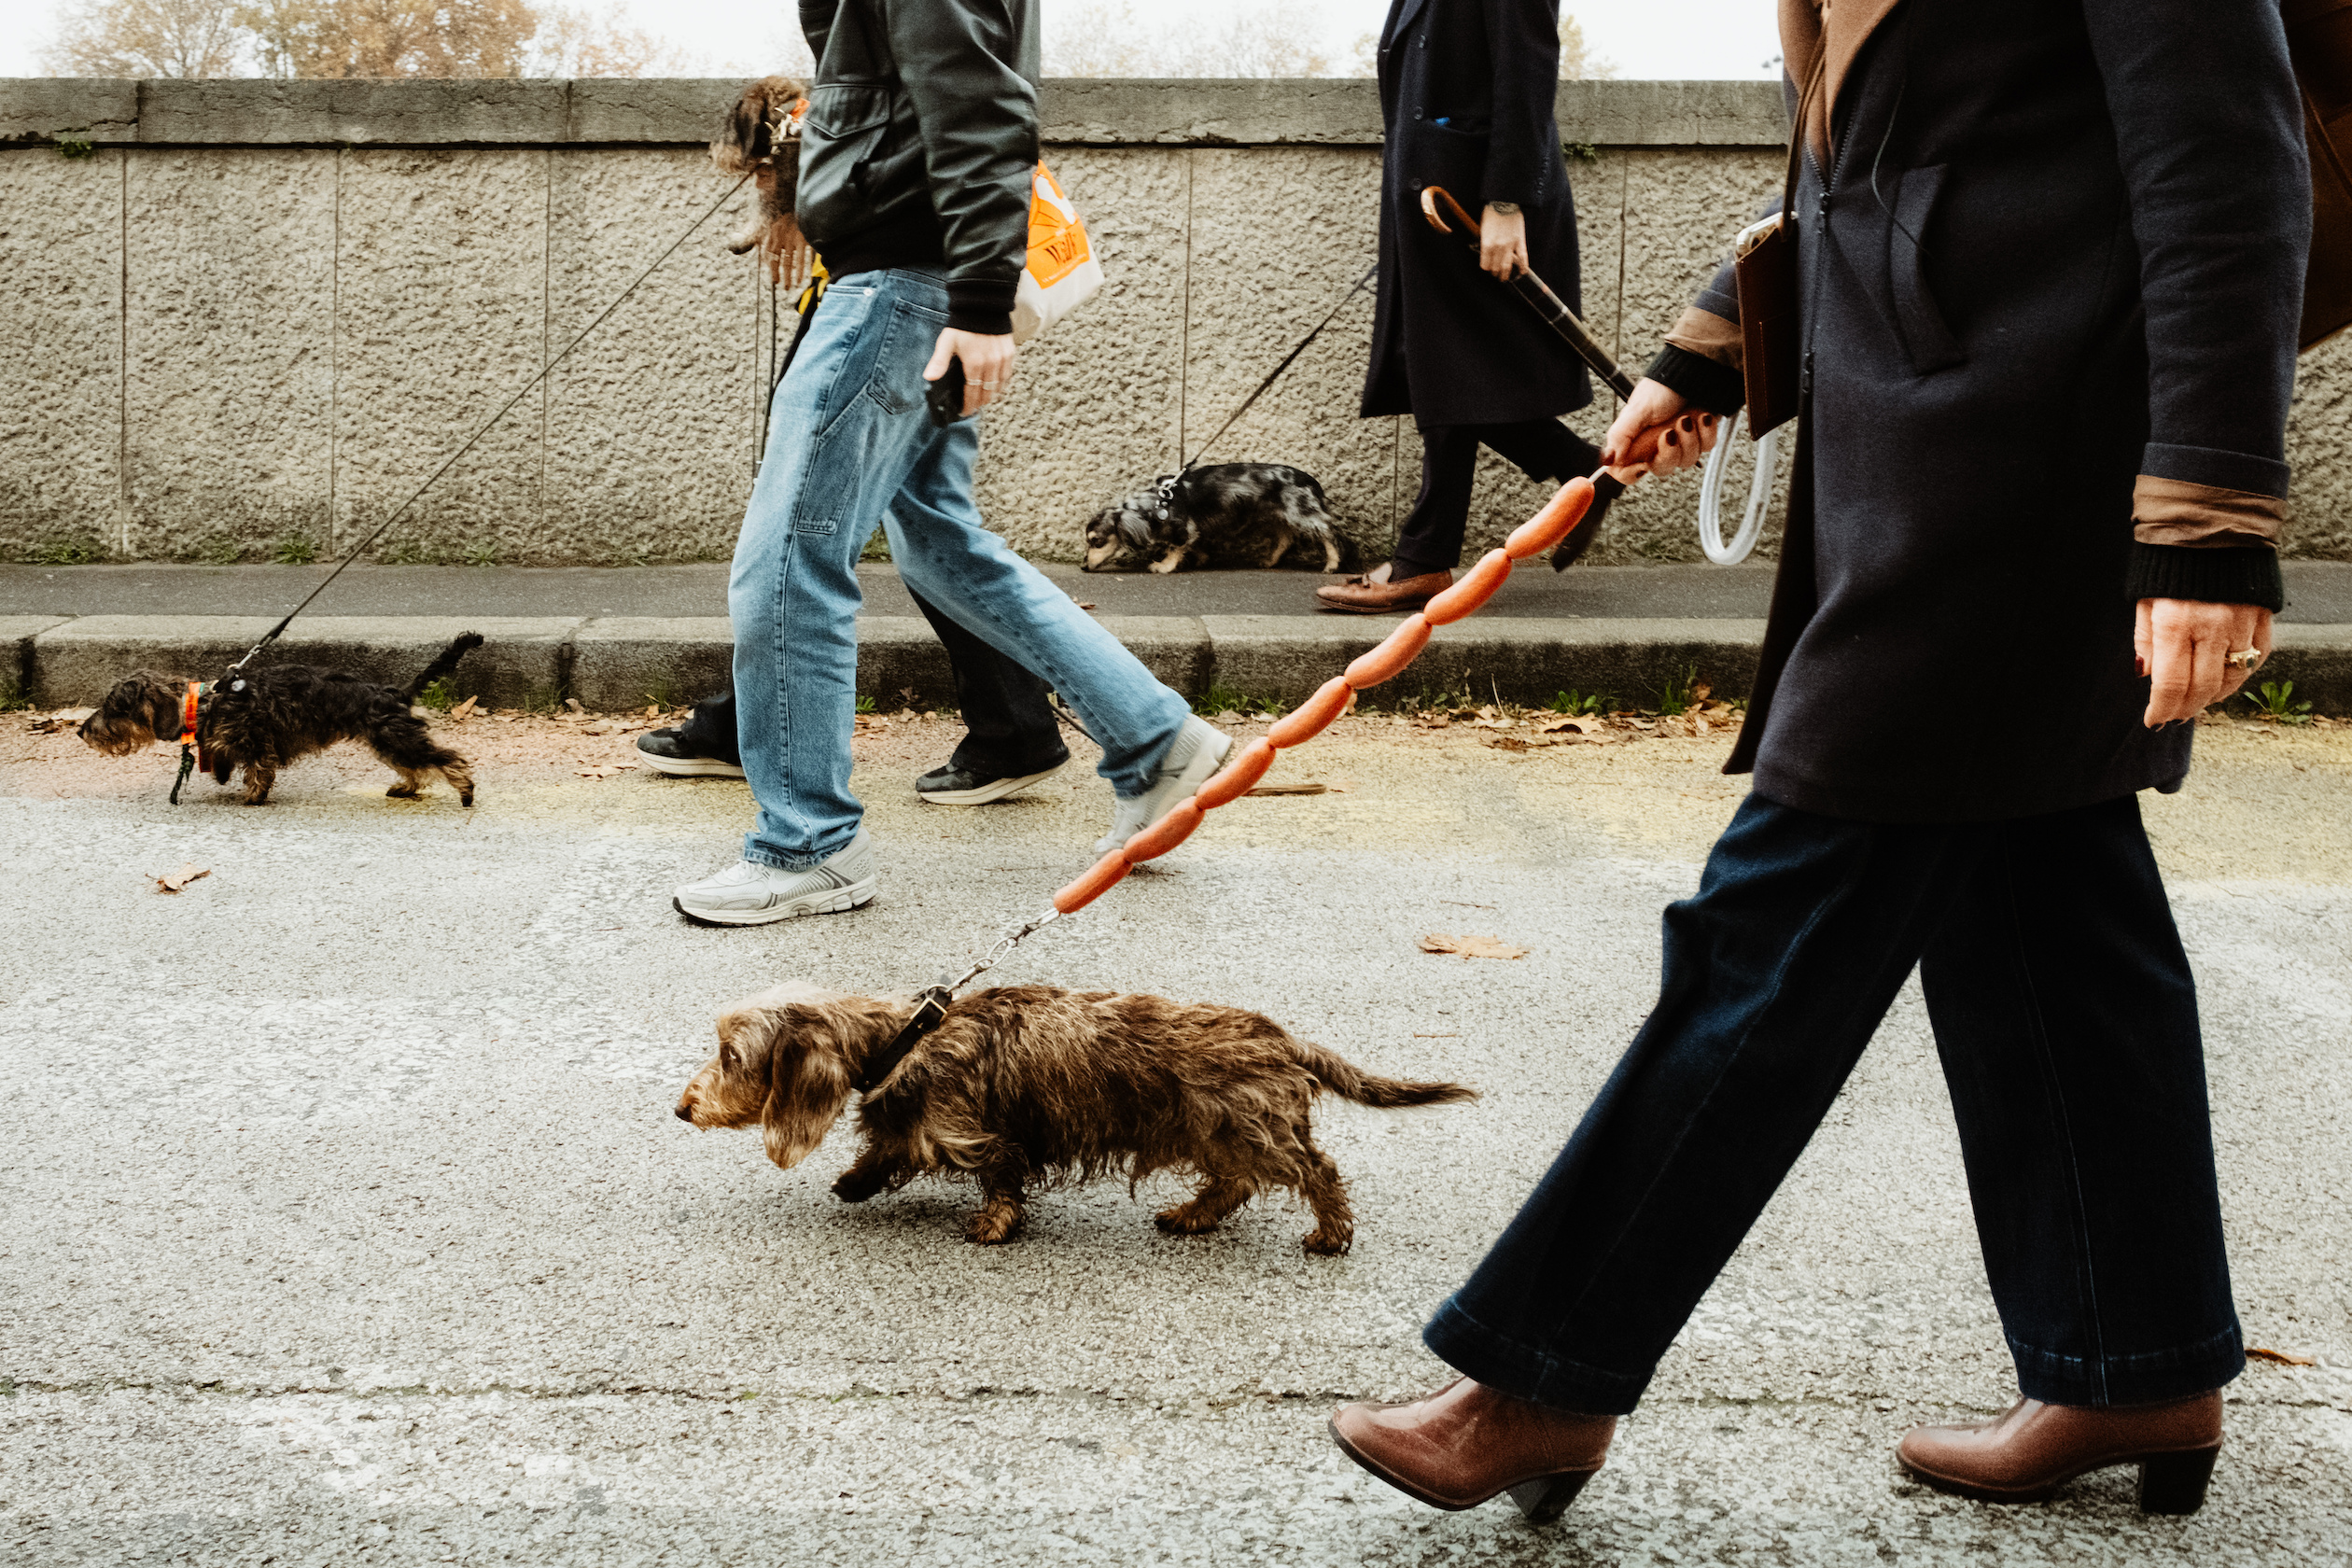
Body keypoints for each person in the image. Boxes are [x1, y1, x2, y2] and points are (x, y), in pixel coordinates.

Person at [1326, 0, 2308, 1523]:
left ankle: (1541, 1373)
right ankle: (2134, 1356)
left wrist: (2209, 514)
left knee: (1778, 920)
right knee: (2050, 912)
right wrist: (1716, 343)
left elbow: (2228, 173)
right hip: (1917, 431)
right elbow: (1876, 146)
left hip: (2033, 464)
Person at [671, 0, 1230, 927]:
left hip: (899, 279)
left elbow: (978, 103)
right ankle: (1154, 739)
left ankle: (806, 844)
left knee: (787, 558)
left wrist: (979, 300)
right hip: (910, 269)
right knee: (939, 543)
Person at [1315, 0, 1617, 616]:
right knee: (1448, 368)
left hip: (1476, 201)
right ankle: (1579, 472)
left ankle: (1427, 557)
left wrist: (1507, 202)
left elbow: (1527, 67)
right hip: (1437, 198)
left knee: (1451, 367)